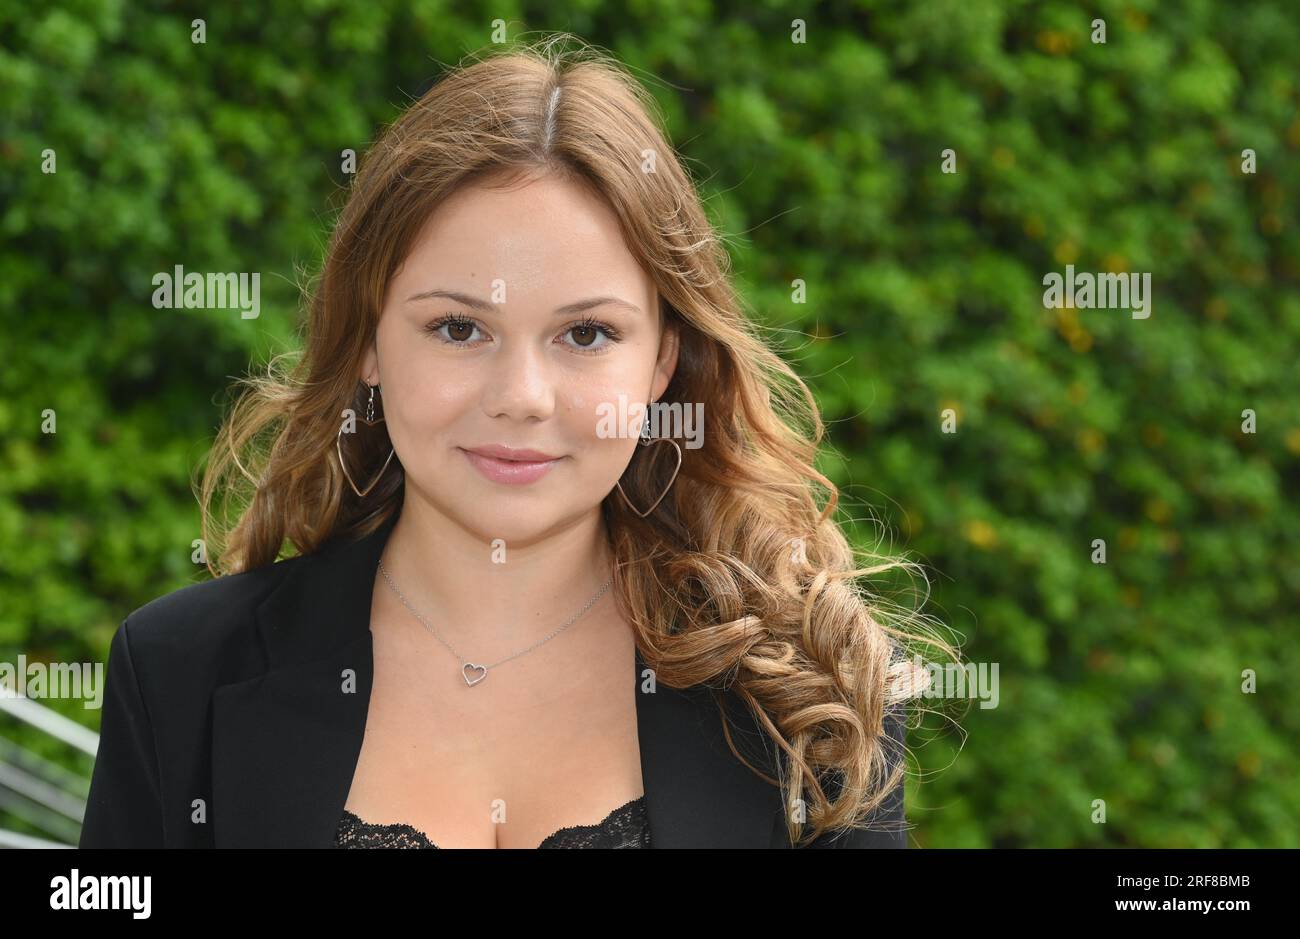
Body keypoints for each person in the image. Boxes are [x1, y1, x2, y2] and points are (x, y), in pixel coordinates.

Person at [80, 34, 942, 849]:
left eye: (587, 335)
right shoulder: (176, 673)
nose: (522, 399)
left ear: (663, 362)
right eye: (459, 328)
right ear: (370, 340)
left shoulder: (808, 692)